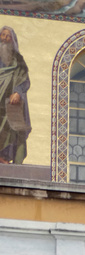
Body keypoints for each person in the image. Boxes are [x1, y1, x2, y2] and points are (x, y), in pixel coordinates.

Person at [0, 25, 30, 165]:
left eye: (8, 36)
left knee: (11, 128)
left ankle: (5, 157)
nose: (5, 38)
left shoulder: (18, 60)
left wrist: (18, 91)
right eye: (3, 35)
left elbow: (24, 78)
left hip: (10, 101)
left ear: (12, 40)